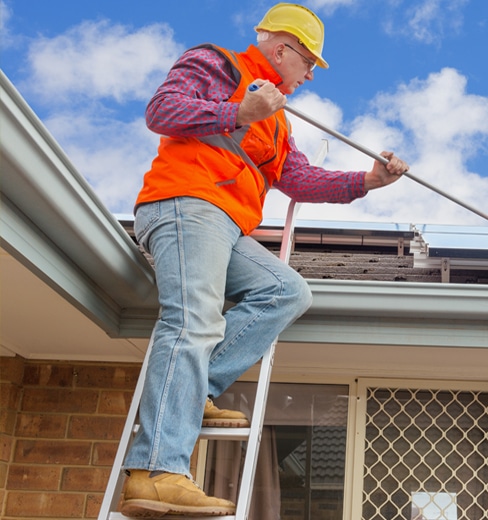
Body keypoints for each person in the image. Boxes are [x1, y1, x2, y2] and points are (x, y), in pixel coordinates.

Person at [120, 3, 408, 517]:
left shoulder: (277, 120)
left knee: (288, 291)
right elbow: (161, 111)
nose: (312, 75)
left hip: (228, 224)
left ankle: (196, 388)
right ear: (282, 50)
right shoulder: (219, 64)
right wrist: (238, 112)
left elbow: (297, 179)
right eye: (310, 63)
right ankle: (158, 471)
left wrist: (367, 181)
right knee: (192, 321)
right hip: (188, 203)